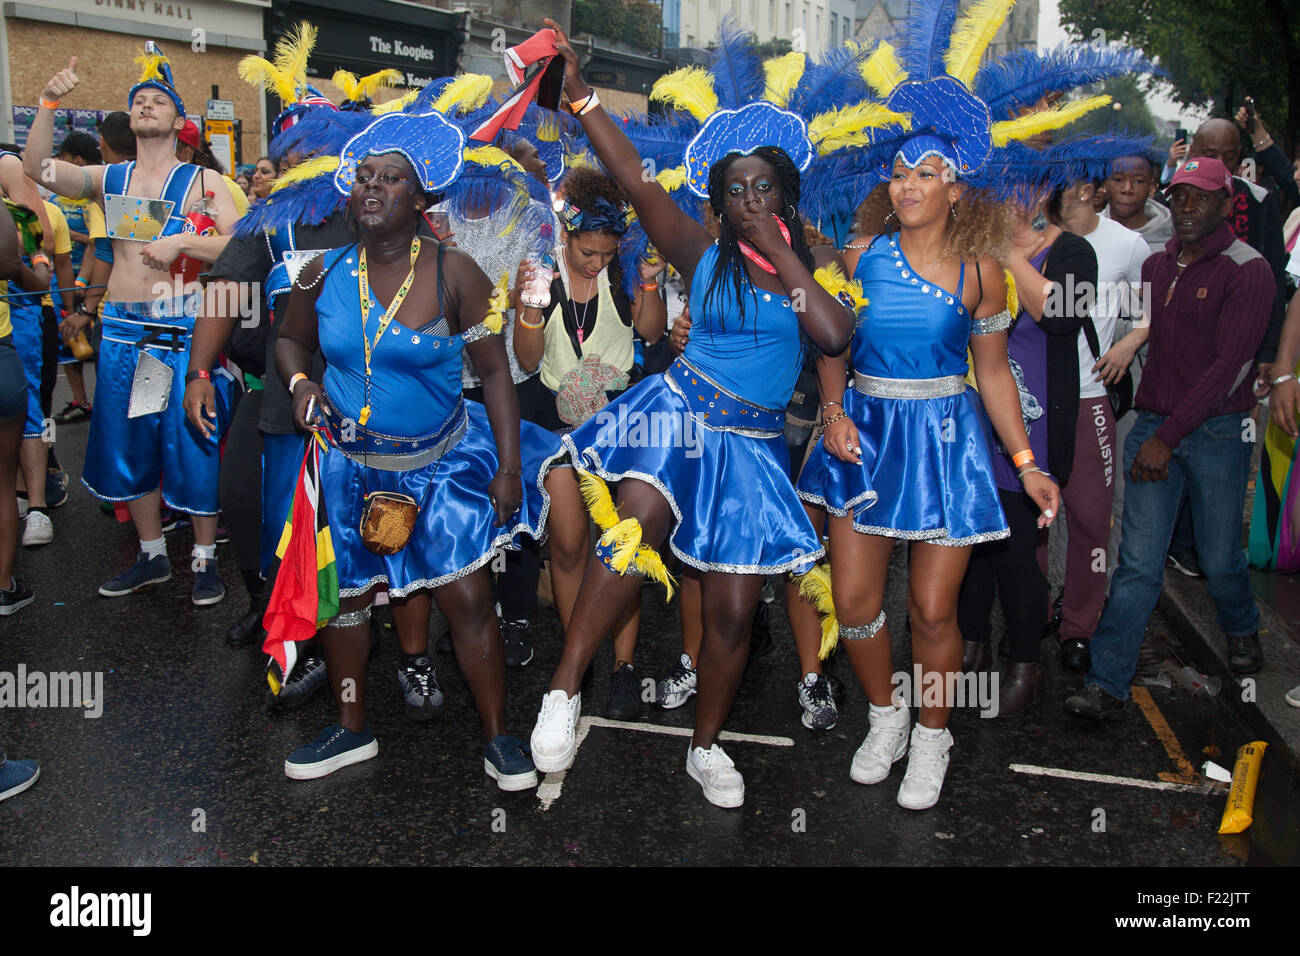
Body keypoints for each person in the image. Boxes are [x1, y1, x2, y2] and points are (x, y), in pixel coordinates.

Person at [527, 20, 857, 808]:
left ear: (784, 194)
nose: (747, 200)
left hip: (752, 446)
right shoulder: (698, 255)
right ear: (716, 198)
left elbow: (836, 335)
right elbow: (637, 181)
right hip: (678, 416)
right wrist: (581, 97)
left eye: (762, 188)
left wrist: (783, 254)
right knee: (635, 526)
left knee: (736, 617)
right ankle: (565, 688)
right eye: (734, 189)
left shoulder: (806, 270)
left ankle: (705, 749)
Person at [273, 109, 585, 787]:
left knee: (469, 604)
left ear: (420, 201)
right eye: (364, 177)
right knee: (347, 603)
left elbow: (497, 372)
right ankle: (351, 728)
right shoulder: (317, 274)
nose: (372, 188)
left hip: (440, 468)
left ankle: (499, 737)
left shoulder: (456, 272)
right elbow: (289, 341)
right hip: (351, 468)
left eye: (391, 179)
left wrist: (507, 466)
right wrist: (300, 383)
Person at [25, 47, 242, 605]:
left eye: (158, 100)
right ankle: (151, 556)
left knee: (193, 440)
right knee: (137, 442)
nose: (146, 105)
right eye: (138, 101)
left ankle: (203, 561)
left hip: (179, 333)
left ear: (177, 120)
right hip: (126, 334)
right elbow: (36, 170)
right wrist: (49, 101)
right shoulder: (109, 177)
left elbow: (242, 248)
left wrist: (184, 241)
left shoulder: (202, 183)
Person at [1064, 156, 1275, 721]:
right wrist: (1132, 362)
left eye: (1200, 198)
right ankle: (1107, 684)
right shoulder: (1156, 266)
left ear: (1224, 203)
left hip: (1216, 432)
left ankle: (1241, 625)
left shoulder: (1247, 270)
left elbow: (1230, 367)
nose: (1186, 209)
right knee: (1136, 563)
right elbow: (1140, 330)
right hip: (1155, 426)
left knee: (1219, 552)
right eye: (1179, 197)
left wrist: (1169, 435)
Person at [515, 164, 666, 717]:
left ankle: (625, 666)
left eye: (607, 253)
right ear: (566, 236)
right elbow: (528, 362)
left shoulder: (626, 270)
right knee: (571, 544)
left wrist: (647, 281)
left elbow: (650, 332)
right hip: (557, 427)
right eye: (587, 254)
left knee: (623, 545)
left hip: (621, 423)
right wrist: (528, 309)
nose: (597, 262)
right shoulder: (539, 271)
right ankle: (580, 655)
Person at [954, 188, 1094, 715]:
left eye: (1022, 182)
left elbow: (1062, 316)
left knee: (1015, 550)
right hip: (969, 418)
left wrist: (1007, 249)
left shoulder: (1074, 251)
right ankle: (970, 643)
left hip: (1032, 427)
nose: (1006, 195)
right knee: (967, 542)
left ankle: (1026, 663)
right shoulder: (966, 248)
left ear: (1042, 190)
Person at [1047, 177, 1147, 673]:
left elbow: (1147, 312)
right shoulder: (1030, 237)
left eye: (1058, 184)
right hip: (1035, 403)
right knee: (1032, 519)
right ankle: (1035, 611)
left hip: (1088, 400)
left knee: (1090, 521)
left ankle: (1079, 627)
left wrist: (1128, 346)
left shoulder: (1127, 245)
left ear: (1086, 189)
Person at [0, 182, 48, 612]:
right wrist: (36, 271)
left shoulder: (22, 217)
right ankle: (4, 586)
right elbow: (16, 269)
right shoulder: (9, 215)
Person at [49, 131, 103, 425]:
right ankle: (81, 401)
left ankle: (105, 399)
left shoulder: (96, 194)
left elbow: (98, 243)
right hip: (68, 280)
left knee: (101, 346)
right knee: (71, 341)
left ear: (78, 160)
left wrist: (76, 237)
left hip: (93, 280)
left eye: (65, 158)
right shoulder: (57, 197)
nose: (60, 162)